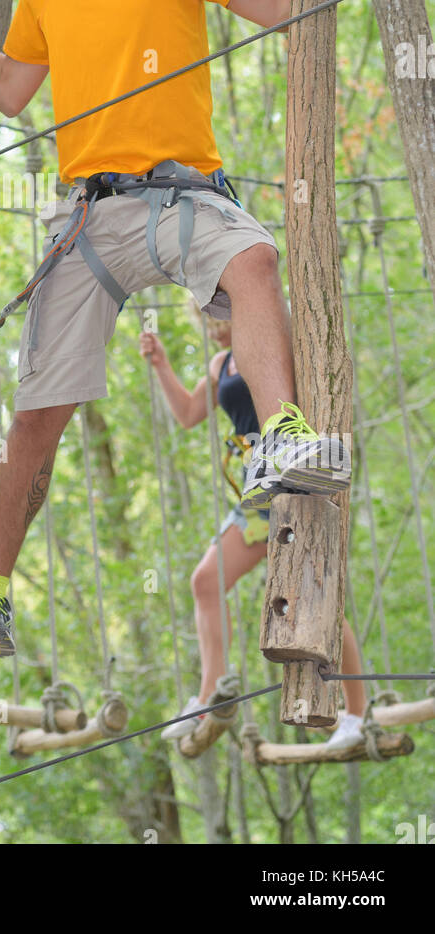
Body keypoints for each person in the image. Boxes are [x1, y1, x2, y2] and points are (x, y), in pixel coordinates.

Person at [0, 0, 350, 658]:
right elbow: (7, 89)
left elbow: (278, 6)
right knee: (39, 415)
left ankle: (282, 437)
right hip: (86, 213)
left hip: (182, 194)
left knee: (253, 257)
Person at [141, 312, 365, 748]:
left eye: (217, 312)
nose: (213, 323)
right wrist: (161, 365)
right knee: (206, 582)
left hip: (295, 488)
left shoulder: (275, 340)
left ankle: (356, 714)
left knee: (319, 598)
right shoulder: (220, 362)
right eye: (206, 315)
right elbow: (189, 413)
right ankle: (209, 694)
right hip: (253, 496)